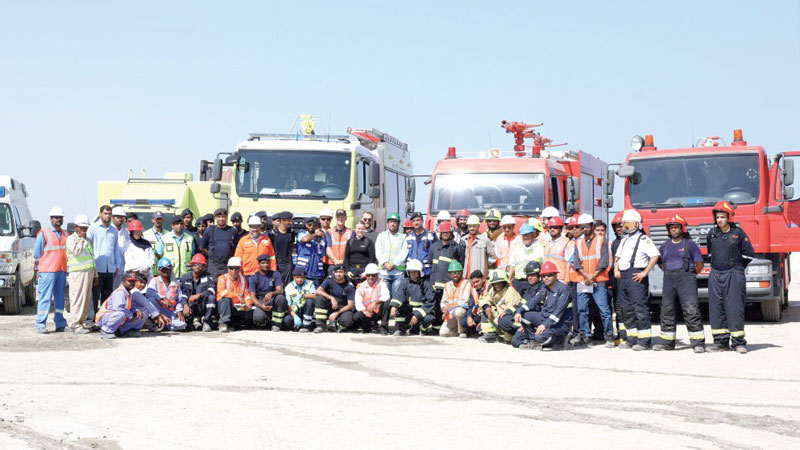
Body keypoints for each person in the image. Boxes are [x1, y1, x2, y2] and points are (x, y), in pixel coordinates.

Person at [706, 201, 754, 354]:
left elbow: (749, 255)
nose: (719, 220)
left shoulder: (738, 233)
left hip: (733, 274)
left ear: (729, 218)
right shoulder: (712, 234)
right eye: (718, 217)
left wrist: (737, 269)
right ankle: (721, 343)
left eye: (722, 217)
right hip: (715, 274)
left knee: (734, 309)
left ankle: (739, 343)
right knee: (716, 309)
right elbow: (709, 253)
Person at [655, 214, 705, 353]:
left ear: (682, 228)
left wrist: (690, 275)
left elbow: (699, 264)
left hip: (686, 280)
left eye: (676, 227)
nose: (674, 230)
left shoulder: (690, 244)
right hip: (669, 280)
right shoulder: (664, 246)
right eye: (671, 227)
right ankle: (667, 343)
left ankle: (698, 344)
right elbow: (660, 264)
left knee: (691, 310)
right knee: (667, 310)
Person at [614, 209, 660, 351]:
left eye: (629, 224)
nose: (626, 226)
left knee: (639, 308)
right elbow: (617, 257)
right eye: (625, 224)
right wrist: (616, 269)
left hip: (636, 276)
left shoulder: (643, 239)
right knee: (625, 309)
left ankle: (644, 341)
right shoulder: (624, 239)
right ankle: (631, 339)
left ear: (637, 224)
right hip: (623, 277)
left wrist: (645, 272)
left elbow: (655, 256)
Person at [570, 214, 614, 348]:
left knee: (604, 310)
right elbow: (577, 262)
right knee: (582, 309)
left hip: (598, 281)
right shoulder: (578, 243)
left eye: (586, 226)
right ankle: (586, 335)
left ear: (592, 226)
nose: (584, 229)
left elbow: (604, 261)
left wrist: (592, 276)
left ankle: (609, 336)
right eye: (582, 227)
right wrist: (587, 276)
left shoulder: (602, 241)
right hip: (583, 281)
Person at [511, 261, 572, 350]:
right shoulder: (545, 288)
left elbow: (558, 312)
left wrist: (544, 325)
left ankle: (560, 340)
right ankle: (534, 341)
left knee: (540, 337)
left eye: (549, 275)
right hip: (546, 319)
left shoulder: (563, 289)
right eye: (544, 276)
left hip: (561, 323)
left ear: (556, 275)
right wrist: (519, 311)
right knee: (524, 317)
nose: (546, 278)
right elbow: (532, 301)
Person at [34, 207, 69, 333]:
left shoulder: (66, 234)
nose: (58, 219)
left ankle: (60, 323)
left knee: (60, 298)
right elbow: (37, 254)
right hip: (47, 271)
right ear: (51, 219)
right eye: (55, 217)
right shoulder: (43, 233)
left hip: (61, 270)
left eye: (60, 217)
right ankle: (40, 324)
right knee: (45, 297)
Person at [87, 205, 121, 326]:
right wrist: (91, 267)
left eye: (109, 214)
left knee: (107, 297)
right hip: (97, 268)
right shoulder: (93, 228)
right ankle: (91, 320)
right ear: (100, 214)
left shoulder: (113, 231)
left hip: (110, 268)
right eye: (105, 213)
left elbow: (116, 250)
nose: (107, 216)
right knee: (94, 296)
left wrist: (116, 266)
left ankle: (104, 320)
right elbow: (89, 247)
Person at [65, 214, 96, 334]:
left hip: (89, 272)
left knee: (86, 299)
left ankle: (81, 322)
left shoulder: (88, 240)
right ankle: (74, 324)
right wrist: (82, 239)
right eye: (82, 228)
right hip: (78, 273)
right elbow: (76, 251)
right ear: (76, 227)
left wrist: (95, 275)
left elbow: (92, 257)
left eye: (85, 228)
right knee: (77, 299)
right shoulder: (71, 239)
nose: (84, 230)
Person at [388, 259, 435, 335]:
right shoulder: (405, 282)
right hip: (409, 312)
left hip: (421, 313)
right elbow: (400, 293)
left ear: (420, 272)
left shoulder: (426, 284)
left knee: (429, 318)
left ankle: (423, 329)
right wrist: (394, 306)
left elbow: (430, 302)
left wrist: (417, 314)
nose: (412, 274)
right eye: (410, 272)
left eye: (415, 272)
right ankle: (401, 329)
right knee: (400, 309)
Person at [95, 272, 148, 339]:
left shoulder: (129, 293)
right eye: (130, 281)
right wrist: (131, 315)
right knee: (121, 314)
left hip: (116, 317)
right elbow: (119, 308)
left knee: (144, 312)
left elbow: (132, 308)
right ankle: (106, 331)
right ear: (124, 281)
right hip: (104, 317)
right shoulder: (120, 292)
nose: (132, 283)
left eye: (133, 281)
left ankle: (124, 331)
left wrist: (136, 311)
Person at [477, 270, 523, 343]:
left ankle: (501, 337)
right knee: (485, 309)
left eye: (499, 283)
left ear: (504, 282)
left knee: (508, 336)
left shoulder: (510, 293)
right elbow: (485, 299)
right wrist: (486, 307)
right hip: (499, 317)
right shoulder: (493, 291)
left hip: (508, 321)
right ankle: (490, 335)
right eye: (494, 283)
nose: (496, 285)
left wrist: (496, 319)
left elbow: (509, 313)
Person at [245, 254, 286, 331]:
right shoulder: (253, 277)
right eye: (263, 263)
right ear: (258, 264)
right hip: (261, 301)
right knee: (259, 318)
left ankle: (276, 324)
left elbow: (280, 290)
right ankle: (267, 322)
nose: (266, 265)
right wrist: (262, 306)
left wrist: (272, 293)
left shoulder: (275, 274)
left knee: (281, 298)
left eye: (267, 263)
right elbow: (252, 296)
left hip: (272, 300)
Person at [145, 258, 187, 331]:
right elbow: (149, 292)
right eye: (163, 269)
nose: (165, 271)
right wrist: (163, 298)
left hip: (171, 312)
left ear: (170, 269)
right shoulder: (155, 281)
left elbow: (179, 299)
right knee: (151, 300)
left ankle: (164, 324)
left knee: (182, 325)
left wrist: (179, 311)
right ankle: (158, 320)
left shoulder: (175, 283)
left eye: (167, 269)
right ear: (158, 270)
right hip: (159, 310)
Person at [179, 253, 217, 332]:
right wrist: (185, 305)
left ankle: (206, 321)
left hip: (202, 305)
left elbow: (212, 290)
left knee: (212, 298)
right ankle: (192, 320)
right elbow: (183, 294)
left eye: (200, 265)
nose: (197, 267)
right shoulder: (185, 277)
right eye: (195, 265)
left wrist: (199, 295)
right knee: (181, 304)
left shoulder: (207, 277)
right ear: (192, 266)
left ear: (204, 267)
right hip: (190, 305)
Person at [313, 264, 355, 333]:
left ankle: (336, 325)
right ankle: (320, 326)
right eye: (336, 272)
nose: (338, 274)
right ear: (334, 272)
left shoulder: (349, 285)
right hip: (331, 305)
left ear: (345, 272)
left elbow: (350, 305)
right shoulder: (330, 280)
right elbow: (318, 290)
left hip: (343, 308)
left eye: (341, 272)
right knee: (320, 298)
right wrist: (332, 298)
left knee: (347, 320)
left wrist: (337, 313)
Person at [215, 257, 253, 332]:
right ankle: (224, 322)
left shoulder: (243, 279)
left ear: (240, 269)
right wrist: (237, 296)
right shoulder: (222, 278)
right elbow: (222, 292)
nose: (234, 271)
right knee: (226, 300)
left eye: (236, 268)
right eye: (231, 268)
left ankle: (235, 323)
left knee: (250, 310)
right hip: (223, 306)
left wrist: (248, 304)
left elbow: (247, 294)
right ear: (228, 268)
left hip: (237, 306)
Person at [199, 208, 238, 279]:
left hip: (227, 265)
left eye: (223, 216)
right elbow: (202, 247)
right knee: (212, 284)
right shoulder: (209, 230)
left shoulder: (233, 231)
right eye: (219, 217)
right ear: (216, 218)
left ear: (226, 217)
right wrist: (210, 253)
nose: (221, 219)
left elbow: (236, 249)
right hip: (213, 266)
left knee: (227, 284)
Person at [375, 213, 408, 296]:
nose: (392, 224)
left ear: (398, 224)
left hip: (398, 273)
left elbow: (404, 253)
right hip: (383, 273)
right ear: (387, 223)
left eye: (394, 222)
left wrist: (393, 264)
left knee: (396, 298)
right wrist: (385, 263)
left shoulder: (404, 237)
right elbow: (378, 251)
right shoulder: (381, 235)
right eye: (391, 222)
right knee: (384, 298)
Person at [439, 261, 474, 338]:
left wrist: (448, 308)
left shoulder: (466, 283)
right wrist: (443, 308)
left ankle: (463, 331)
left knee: (458, 311)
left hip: (462, 312)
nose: (455, 275)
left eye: (458, 273)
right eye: (453, 273)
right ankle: (458, 331)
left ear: (461, 273)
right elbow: (443, 302)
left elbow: (464, 302)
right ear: (449, 274)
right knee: (443, 333)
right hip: (451, 313)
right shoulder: (447, 285)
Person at [507, 223, 544, 294]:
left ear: (533, 235)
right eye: (524, 235)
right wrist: (509, 281)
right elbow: (512, 265)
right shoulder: (517, 249)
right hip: (518, 283)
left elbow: (543, 265)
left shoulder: (540, 248)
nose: (526, 237)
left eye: (528, 235)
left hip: (533, 283)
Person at [352, 263, 390, 333]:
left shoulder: (382, 283)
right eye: (368, 275)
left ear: (377, 275)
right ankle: (367, 326)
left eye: (373, 275)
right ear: (366, 275)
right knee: (356, 317)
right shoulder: (361, 286)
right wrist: (365, 312)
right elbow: (358, 303)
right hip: (367, 312)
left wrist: (375, 303)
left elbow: (386, 296)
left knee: (387, 303)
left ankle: (383, 326)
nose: (371, 277)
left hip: (378, 311)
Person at [296, 217, 328, 287]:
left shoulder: (322, 236)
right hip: (303, 271)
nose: (311, 227)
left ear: (318, 227)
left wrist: (323, 236)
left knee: (316, 291)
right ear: (306, 225)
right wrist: (316, 234)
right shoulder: (301, 233)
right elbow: (305, 239)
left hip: (317, 272)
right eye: (309, 225)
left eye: (314, 225)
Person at [284, 267, 317, 332]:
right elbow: (288, 306)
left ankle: (306, 326)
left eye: (302, 277)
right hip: (295, 311)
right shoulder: (288, 288)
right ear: (293, 277)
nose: (299, 280)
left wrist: (303, 296)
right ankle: (297, 326)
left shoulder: (310, 284)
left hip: (307, 310)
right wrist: (295, 316)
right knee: (287, 320)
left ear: (305, 277)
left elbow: (315, 296)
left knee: (309, 301)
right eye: (297, 277)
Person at [271, 211, 296, 286]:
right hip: (277, 263)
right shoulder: (273, 234)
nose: (291, 222)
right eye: (289, 220)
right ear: (282, 220)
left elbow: (291, 246)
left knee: (288, 285)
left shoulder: (291, 233)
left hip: (288, 263)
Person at [110, 206, 130, 289]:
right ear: (112, 217)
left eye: (122, 217)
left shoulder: (126, 232)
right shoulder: (108, 231)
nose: (120, 219)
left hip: (122, 269)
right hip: (110, 268)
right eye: (118, 217)